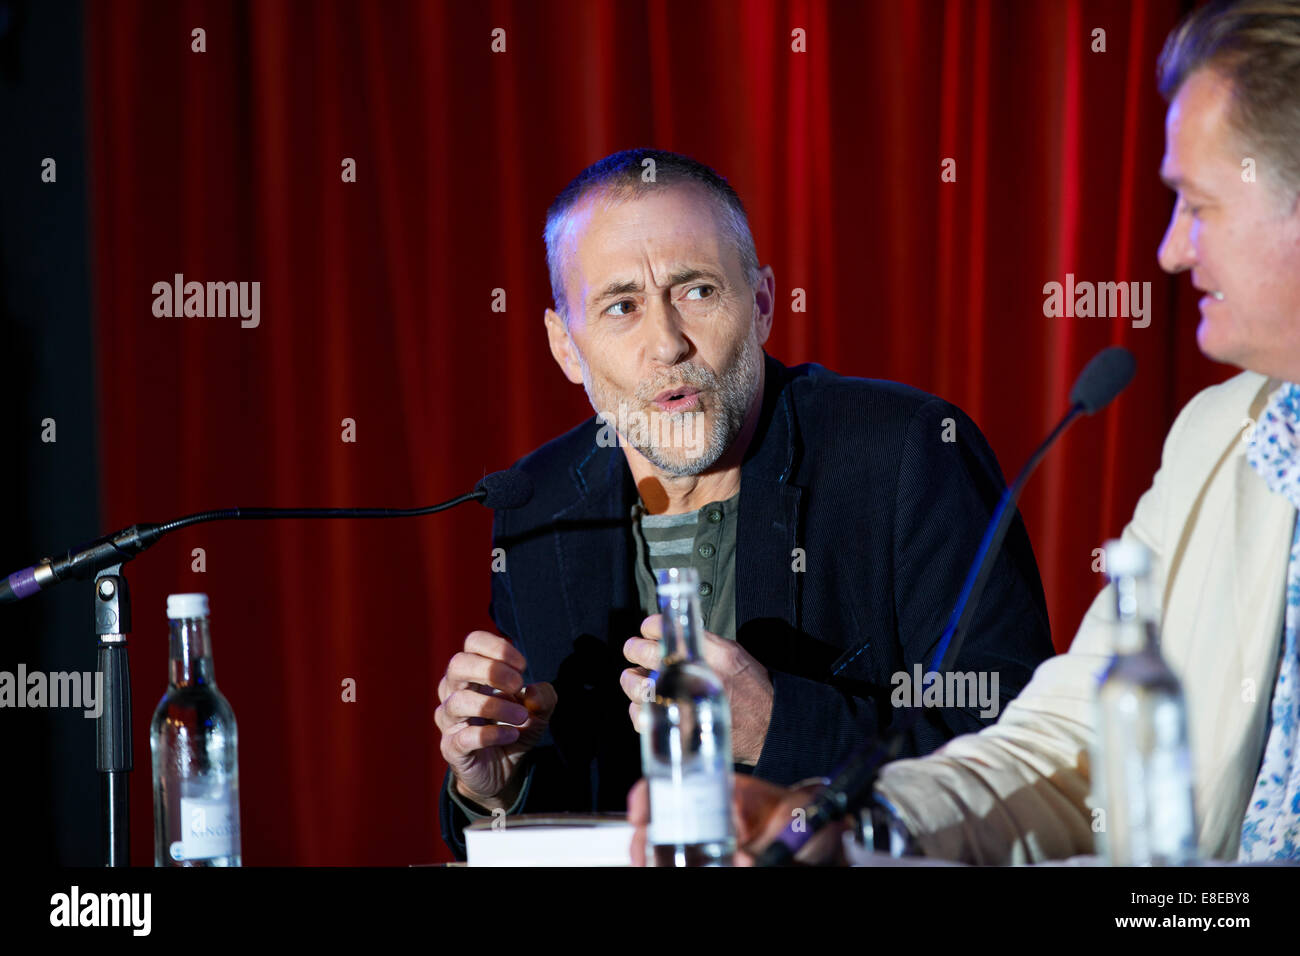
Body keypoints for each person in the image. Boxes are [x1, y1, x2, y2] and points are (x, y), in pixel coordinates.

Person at [628, 0, 1300, 865]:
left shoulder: (906, 450)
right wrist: (851, 822)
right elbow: (1061, 750)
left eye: (1198, 205)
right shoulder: (1219, 438)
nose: (1170, 252)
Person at [436, 148, 1054, 860]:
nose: (666, 343)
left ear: (761, 304)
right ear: (566, 348)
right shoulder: (537, 504)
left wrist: (774, 726)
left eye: (697, 290)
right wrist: (496, 787)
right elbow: (583, 807)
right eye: (621, 306)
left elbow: (1019, 752)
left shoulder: (906, 455)